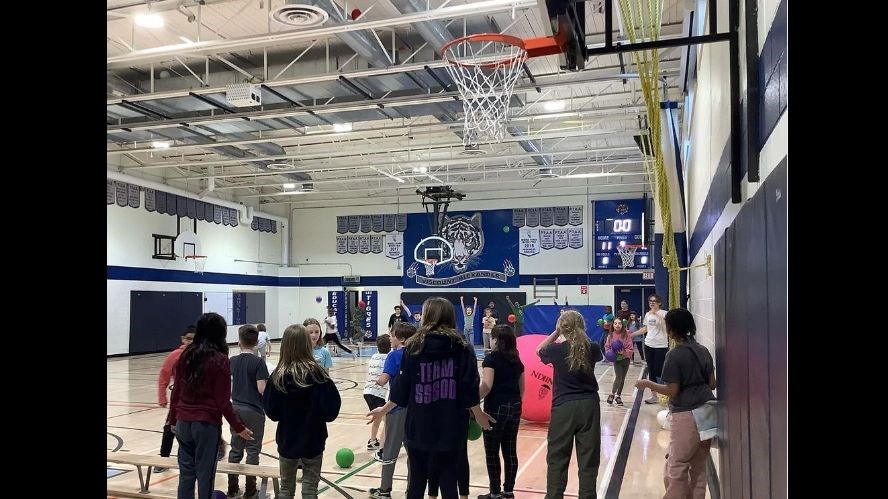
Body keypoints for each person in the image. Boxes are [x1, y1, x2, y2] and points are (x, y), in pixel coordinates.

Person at [368, 297, 494, 499]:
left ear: (426, 316)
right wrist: (478, 414)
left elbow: (402, 389)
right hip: (451, 426)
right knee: (448, 481)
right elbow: (469, 386)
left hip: (419, 425)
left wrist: (384, 409)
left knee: (417, 482)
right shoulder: (462, 347)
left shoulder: (413, 347)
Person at [168, 313, 254, 499]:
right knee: (205, 476)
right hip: (205, 425)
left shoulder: (186, 356)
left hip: (183, 422)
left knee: (186, 475)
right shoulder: (220, 360)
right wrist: (239, 427)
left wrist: (172, 419)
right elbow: (223, 402)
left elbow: (176, 392)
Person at [635, 308, 716, 499]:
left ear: (671, 330)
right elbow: (712, 383)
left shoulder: (674, 355)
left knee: (676, 465)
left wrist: (646, 383)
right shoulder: (703, 350)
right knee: (698, 467)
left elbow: (672, 390)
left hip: (687, 415)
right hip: (708, 412)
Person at [263, 324, 342, 499]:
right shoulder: (319, 375)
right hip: (314, 438)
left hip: (287, 439)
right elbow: (331, 410)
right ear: (307, 344)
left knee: (286, 489)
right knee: (309, 489)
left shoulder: (278, 376)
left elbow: (271, 411)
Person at [535, 310, 603, 499]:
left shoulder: (556, 350)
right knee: (589, 459)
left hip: (563, 407)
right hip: (589, 406)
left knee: (557, 459)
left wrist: (556, 333)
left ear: (562, 328)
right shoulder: (593, 347)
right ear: (581, 326)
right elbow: (589, 346)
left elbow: (538, 350)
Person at [367, 323, 418, 499]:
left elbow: (384, 379)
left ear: (402, 338)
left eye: (392, 334)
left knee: (390, 449)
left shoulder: (394, 355)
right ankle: (412, 490)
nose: (390, 337)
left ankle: (385, 490)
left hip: (396, 408)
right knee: (413, 452)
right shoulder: (417, 355)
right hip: (416, 410)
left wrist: (375, 380)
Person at [479, 325, 524, 499]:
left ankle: (495, 492)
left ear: (497, 340)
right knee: (510, 450)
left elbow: (487, 386)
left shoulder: (491, 359)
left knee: (492, 451)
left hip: (495, 408)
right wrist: (515, 404)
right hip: (514, 407)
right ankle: (509, 491)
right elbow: (522, 389)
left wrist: (472, 401)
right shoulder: (517, 360)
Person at [227, 325, 270, 499]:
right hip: (253, 410)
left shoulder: (232, 360)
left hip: (235, 409)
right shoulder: (258, 362)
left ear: (239, 342)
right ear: (256, 343)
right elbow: (262, 389)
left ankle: (232, 488)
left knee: (235, 448)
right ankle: (250, 490)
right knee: (252, 451)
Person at [155, 326, 195, 473]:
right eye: (188, 338)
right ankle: (163, 459)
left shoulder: (202, 355)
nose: (190, 342)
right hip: (179, 397)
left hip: (199, 398)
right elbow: (164, 375)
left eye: (193, 339)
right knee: (169, 428)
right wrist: (162, 396)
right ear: (182, 339)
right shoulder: (175, 355)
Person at [629, 294, 669, 404]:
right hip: (648, 344)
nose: (652, 303)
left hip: (661, 345)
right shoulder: (647, 314)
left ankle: (665, 395)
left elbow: (667, 326)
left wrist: (656, 313)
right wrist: (633, 334)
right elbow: (646, 328)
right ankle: (654, 396)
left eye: (654, 301)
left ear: (659, 303)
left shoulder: (664, 313)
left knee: (659, 370)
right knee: (651, 370)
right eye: (650, 301)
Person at [364, 334, 392, 452]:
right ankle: (383, 447)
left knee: (378, 417)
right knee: (388, 420)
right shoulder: (390, 357)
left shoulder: (374, 356)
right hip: (380, 394)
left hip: (367, 392)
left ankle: (373, 440)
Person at [604, 318, 633, 407]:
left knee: (622, 378)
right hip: (617, 360)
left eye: (619, 323)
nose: (617, 325)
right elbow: (607, 347)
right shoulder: (610, 336)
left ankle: (618, 396)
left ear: (622, 325)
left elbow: (630, 348)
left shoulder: (627, 335)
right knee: (619, 377)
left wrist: (623, 352)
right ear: (613, 325)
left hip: (626, 359)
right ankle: (612, 394)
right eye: (615, 323)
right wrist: (611, 353)